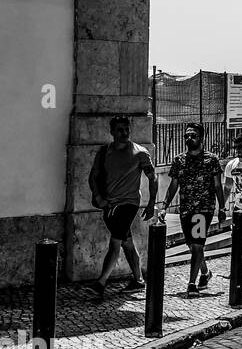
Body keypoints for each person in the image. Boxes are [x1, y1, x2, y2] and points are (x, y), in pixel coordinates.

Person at [88, 115, 158, 301]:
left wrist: (151, 203)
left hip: (129, 204)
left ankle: (100, 283)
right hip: (109, 206)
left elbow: (153, 177)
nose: (124, 133)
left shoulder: (140, 152)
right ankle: (138, 280)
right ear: (112, 132)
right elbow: (93, 176)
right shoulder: (104, 152)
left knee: (116, 242)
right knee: (127, 242)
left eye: (127, 129)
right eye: (120, 130)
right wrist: (98, 198)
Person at [163, 123, 225, 295]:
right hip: (185, 209)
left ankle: (192, 284)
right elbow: (173, 186)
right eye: (187, 136)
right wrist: (164, 207)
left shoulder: (211, 159)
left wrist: (222, 208)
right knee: (192, 246)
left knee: (197, 246)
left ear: (201, 138)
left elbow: (218, 185)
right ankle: (205, 272)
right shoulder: (179, 160)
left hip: (203, 209)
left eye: (193, 136)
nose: (189, 139)